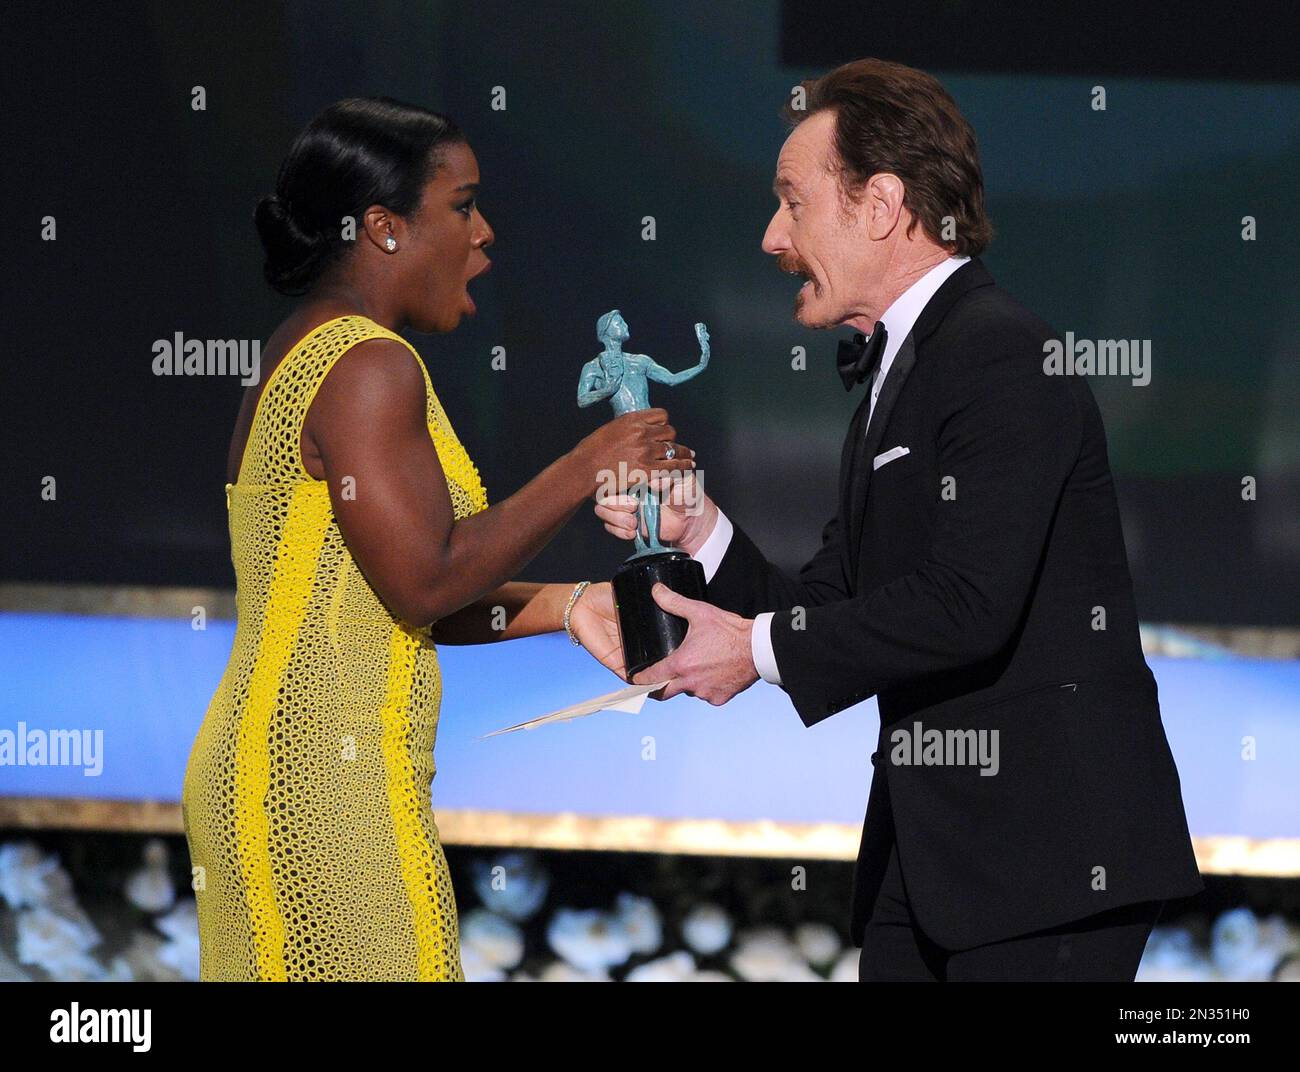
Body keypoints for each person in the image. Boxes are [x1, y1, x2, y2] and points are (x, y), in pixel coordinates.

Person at [595, 59, 1203, 981]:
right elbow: (834, 604)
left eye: (792, 203)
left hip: (1045, 870)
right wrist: (702, 530)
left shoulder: (999, 353)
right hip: (932, 866)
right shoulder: (904, 369)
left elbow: (969, 604)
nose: (771, 237)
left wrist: (753, 649)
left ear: (880, 205)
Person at [180, 97, 692, 981]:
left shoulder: (306, 348)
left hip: (289, 771)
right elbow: (423, 584)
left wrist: (572, 607)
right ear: (382, 227)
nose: (486, 233)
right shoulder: (368, 364)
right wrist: (587, 465)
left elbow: (406, 594)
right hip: (323, 784)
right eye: (462, 206)